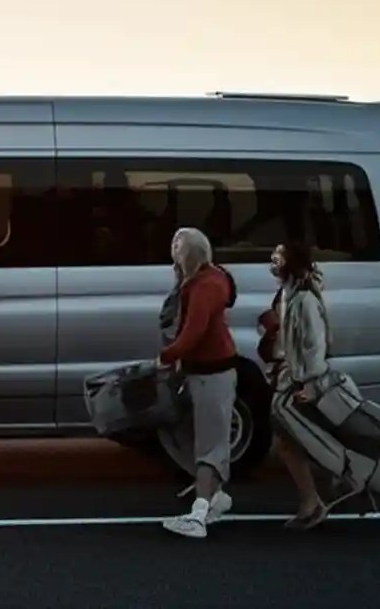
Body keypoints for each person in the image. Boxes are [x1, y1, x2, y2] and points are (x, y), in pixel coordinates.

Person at [157, 227, 240, 539]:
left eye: (178, 250)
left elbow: (194, 331)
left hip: (212, 373)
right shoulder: (199, 280)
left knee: (210, 444)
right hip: (201, 371)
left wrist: (166, 356)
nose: (174, 255)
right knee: (189, 435)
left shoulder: (206, 285)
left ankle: (199, 514)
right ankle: (215, 497)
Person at [268, 241, 332, 530]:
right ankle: (312, 501)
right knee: (290, 442)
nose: (273, 260)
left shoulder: (304, 300)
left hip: (298, 382)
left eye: (279, 256)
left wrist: (309, 383)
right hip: (289, 378)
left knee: (289, 442)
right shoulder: (288, 294)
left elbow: (315, 346)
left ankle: (313, 502)